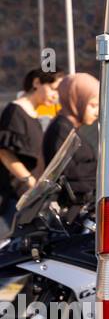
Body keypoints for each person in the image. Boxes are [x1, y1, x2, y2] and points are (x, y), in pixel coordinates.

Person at [0, 70, 59, 230]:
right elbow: (4, 153)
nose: (55, 96)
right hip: (14, 198)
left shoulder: (33, 115)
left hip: (29, 197)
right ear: (36, 83)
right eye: (53, 89)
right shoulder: (14, 113)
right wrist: (29, 181)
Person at [42, 72, 100, 205]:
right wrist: (101, 168)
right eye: (92, 105)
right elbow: (66, 172)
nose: (96, 112)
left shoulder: (69, 128)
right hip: (72, 209)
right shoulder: (61, 129)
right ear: (76, 99)